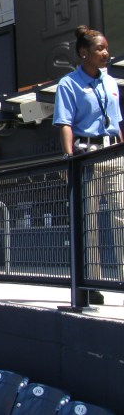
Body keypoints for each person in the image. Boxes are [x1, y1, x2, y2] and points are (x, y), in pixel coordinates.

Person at [54, 25, 124, 304]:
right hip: (86, 156)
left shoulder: (110, 81)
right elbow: (65, 124)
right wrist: (70, 159)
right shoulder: (68, 84)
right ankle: (89, 283)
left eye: (106, 48)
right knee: (89, 223)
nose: (106, 53)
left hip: (113, 153)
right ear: (84, 53)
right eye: (100, 49)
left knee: (122, 216)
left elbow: (117, 121)